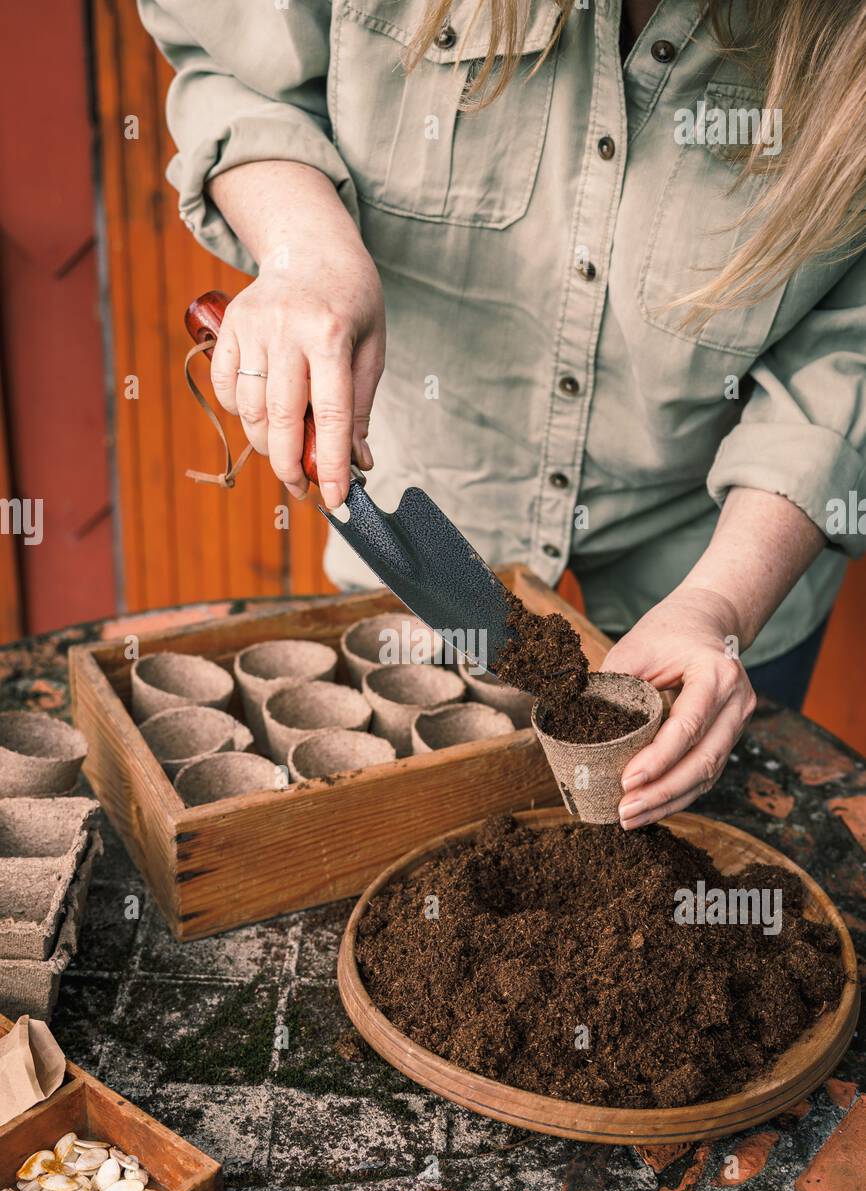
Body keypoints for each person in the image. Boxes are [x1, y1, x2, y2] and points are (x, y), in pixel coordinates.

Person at [139, 0, 866, 828]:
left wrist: (720, 606)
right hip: (441, 501)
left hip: (717, 549)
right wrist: (306, 249)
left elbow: (851, 348)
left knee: (691, 858)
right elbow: (235, 65)